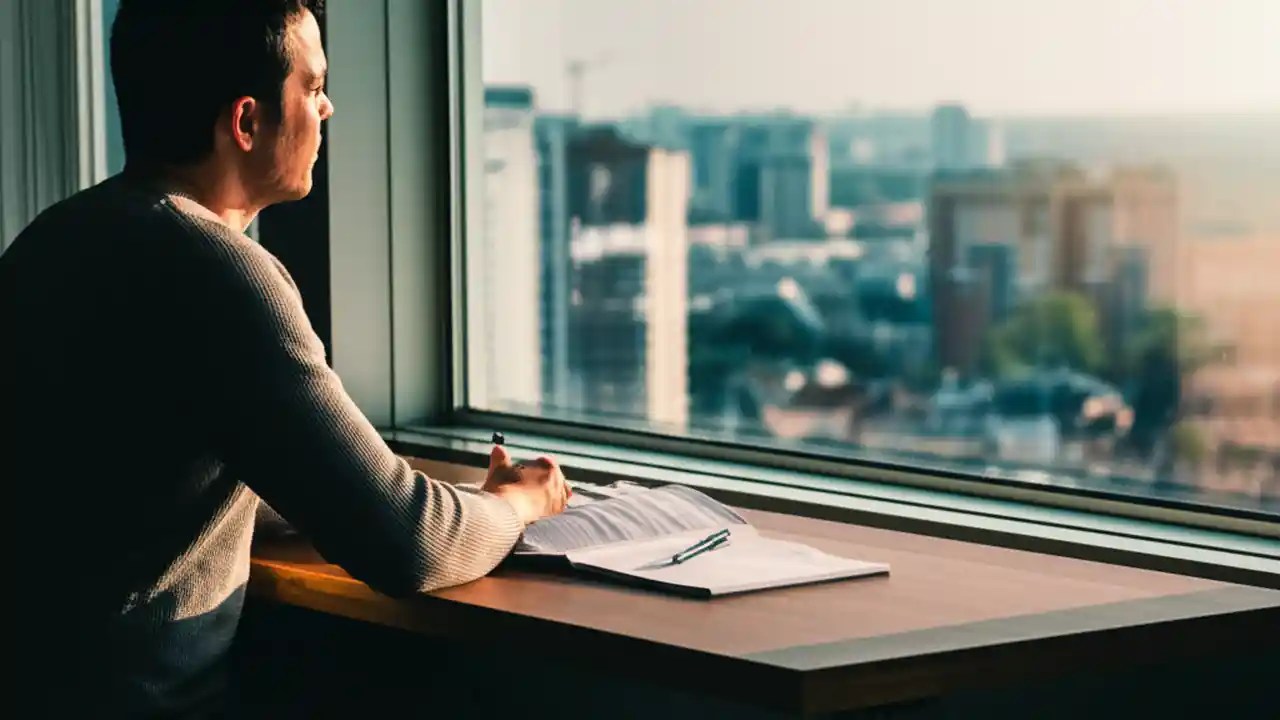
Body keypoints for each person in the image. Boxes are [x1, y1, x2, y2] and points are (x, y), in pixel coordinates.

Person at [0, 1, 569, 716]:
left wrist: (318, 489)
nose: (328, 108)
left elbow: (124, 479)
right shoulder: (221, 274)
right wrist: (514, 502)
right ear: (246, 122)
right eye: (313, 85)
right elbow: (408, 543)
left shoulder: (53, 239)